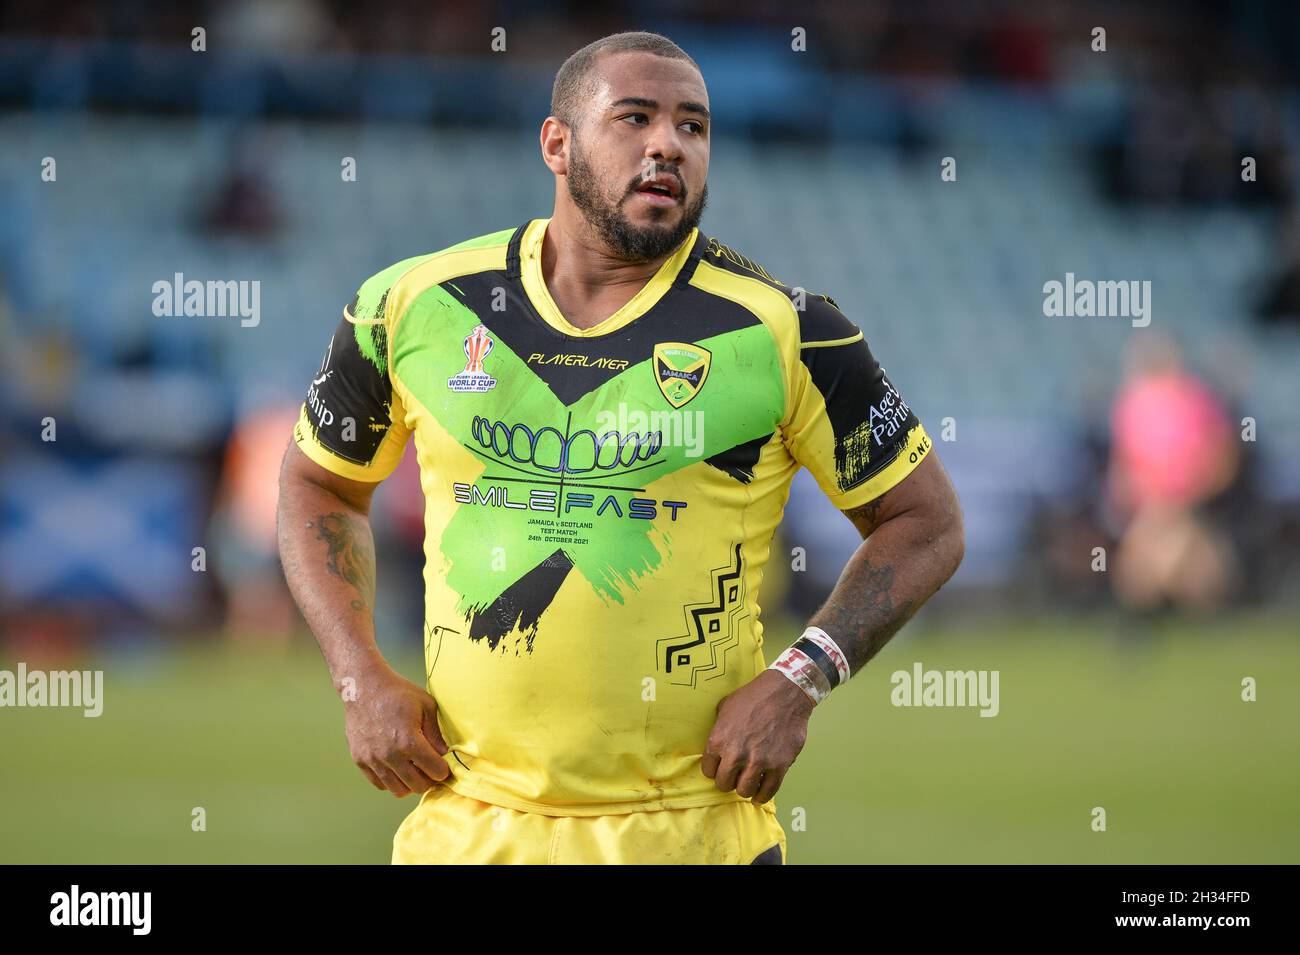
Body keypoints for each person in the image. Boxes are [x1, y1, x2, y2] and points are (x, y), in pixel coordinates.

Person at [276, 31, 963, 865]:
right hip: (466, 831)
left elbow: (925, 520)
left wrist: (800, 677)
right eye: (634, 117)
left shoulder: (787, 330)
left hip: (697, 833)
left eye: (693, 127)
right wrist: (359, 675)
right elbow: (320, 486)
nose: (668, 144)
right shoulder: (411, 304)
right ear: (556, 144)